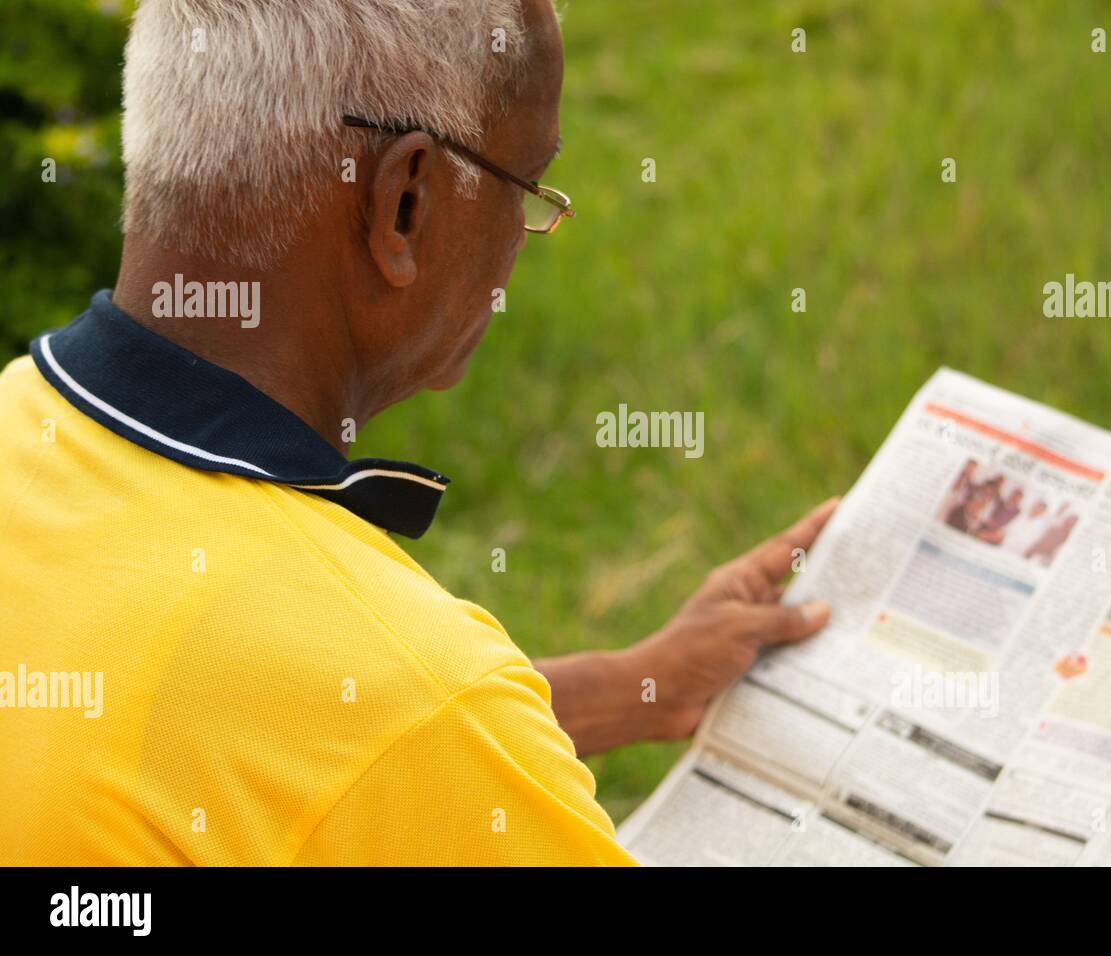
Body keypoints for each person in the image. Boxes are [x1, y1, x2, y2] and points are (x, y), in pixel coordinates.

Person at [0, 0, 836, 865]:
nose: (526, 233)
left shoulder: (23, 422)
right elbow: (375, 731)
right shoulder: (412, 698)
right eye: (527, 186)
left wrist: (637, 685)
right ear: (402, 202)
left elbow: (297, 742)